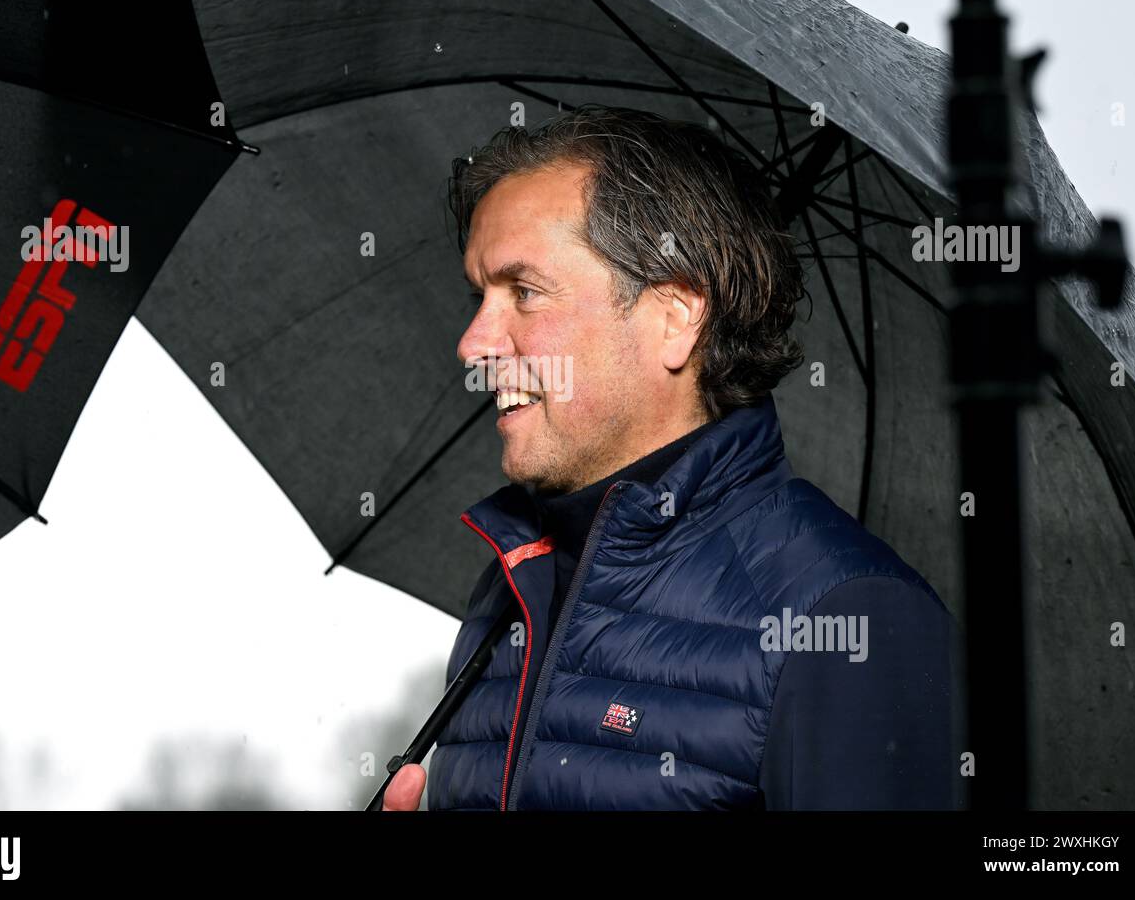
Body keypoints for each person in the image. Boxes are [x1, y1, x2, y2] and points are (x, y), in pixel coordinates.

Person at [383, 105, 964, 811]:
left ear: (674, 317)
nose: (473, 344)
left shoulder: (849, 618)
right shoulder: (507, 591)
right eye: (481, 296)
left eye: (524, 292)